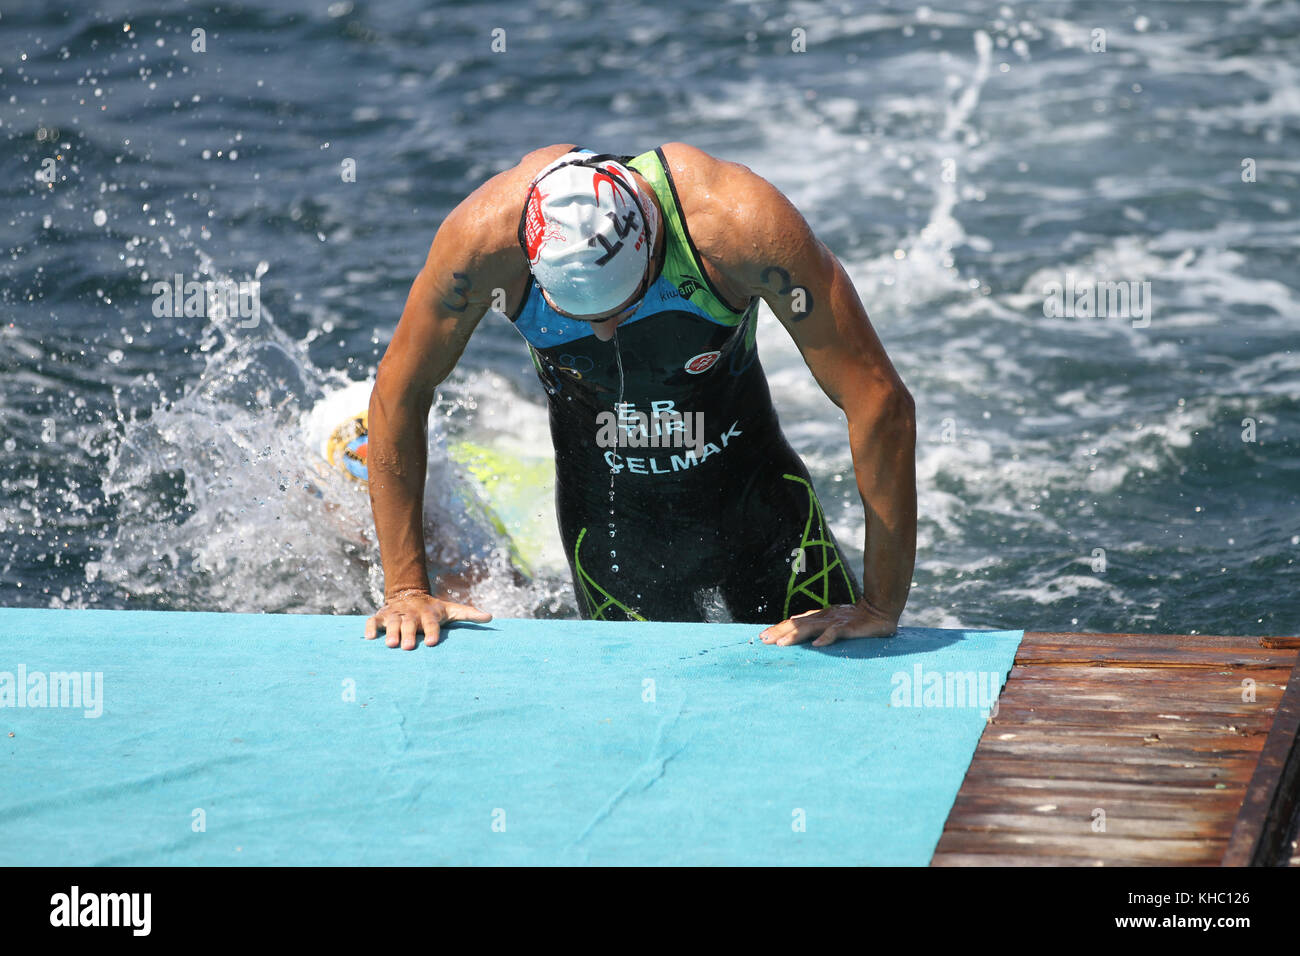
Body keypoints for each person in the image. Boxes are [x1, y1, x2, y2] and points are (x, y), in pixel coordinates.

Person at [364, 143, 916, 651]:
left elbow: (879, 400)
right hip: (611, 528)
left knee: (828, 694)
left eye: (622, 307)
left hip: (759, 505)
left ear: (653, 246)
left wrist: (879, 605)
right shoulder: (483, 244)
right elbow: (400, 390)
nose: (606, 333)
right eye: (580, 316)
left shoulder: (738, 227)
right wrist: (407, 588)